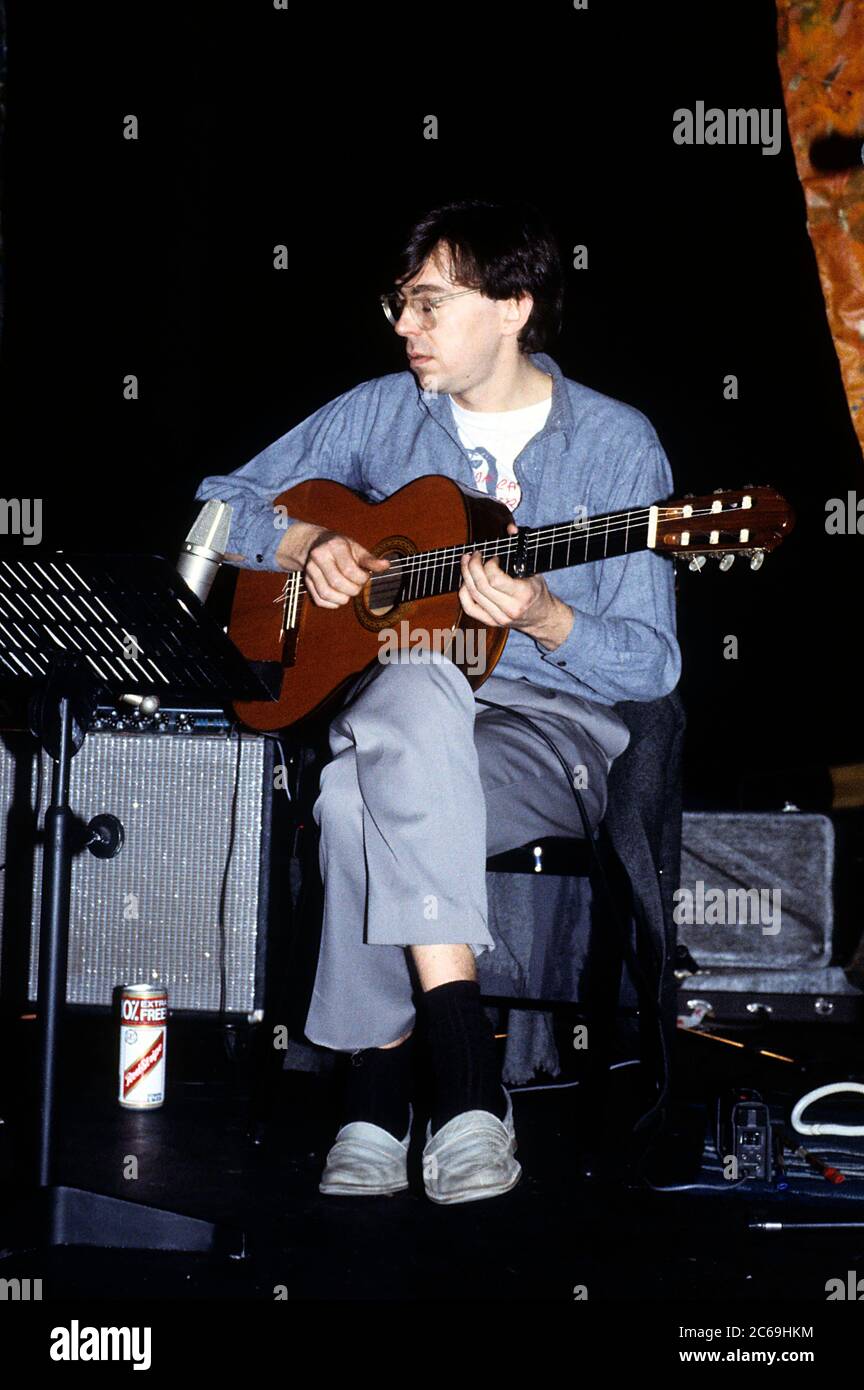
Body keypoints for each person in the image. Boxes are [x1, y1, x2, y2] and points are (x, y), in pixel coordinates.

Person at [195, 199, 681, 1204]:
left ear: (514, 306)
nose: (402, 327)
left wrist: (549, 616)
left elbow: (654, 665)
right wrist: (302, 546)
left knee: (354, 791)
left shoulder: (618, 445)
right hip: (408, 722)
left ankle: (390, 1087)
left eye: (428, 304)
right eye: (399, 304)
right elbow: (220, 500)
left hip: (553, 735)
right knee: (396, 714)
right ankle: (456, 1086)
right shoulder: (381, 410)